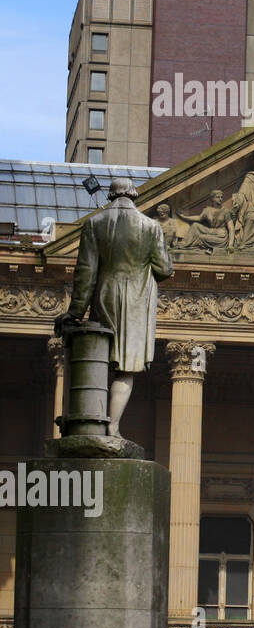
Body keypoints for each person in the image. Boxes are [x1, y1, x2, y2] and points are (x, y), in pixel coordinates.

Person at [55, 178, 173, 437]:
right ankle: (114, 426)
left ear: (110, 195)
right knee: (126, 367)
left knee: (97, 358)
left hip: (104, 297)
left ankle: (88, 421)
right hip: (136, 304)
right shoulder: (150, 226)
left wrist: (75, 312)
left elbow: (85, 273)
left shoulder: (95, 224)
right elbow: (164, 269)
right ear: (133, 194)